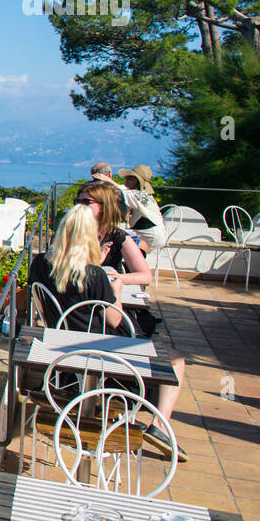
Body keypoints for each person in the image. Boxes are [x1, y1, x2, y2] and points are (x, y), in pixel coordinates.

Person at [77, 180, 187, 461]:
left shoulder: (118, 237)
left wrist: (116, 277)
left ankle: (159, 426)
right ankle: (155, 420)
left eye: (86, 202)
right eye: (79, 201)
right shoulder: (77, 234)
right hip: (101, 324)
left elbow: (145, 275)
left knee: (172, 358)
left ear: (103, 207)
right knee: (174, 360)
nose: (79, 206)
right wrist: (103, 277)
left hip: (91, 318)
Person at [28, 204, 127, 332]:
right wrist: (116, 291)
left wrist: (95, 264)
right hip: (91, 341)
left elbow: (42, 306)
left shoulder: (39, 263)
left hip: (57, 332)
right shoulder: (94, 275)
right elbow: (114, 321)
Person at [118, 164, 168, 250]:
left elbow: (118, 192)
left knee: (115, 237)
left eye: (129, 178)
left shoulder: (138, 195)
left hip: (149, 235)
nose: (126, 181)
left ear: (137, 181)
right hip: (154, 235)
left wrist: (106, 181)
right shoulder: (143, 194)